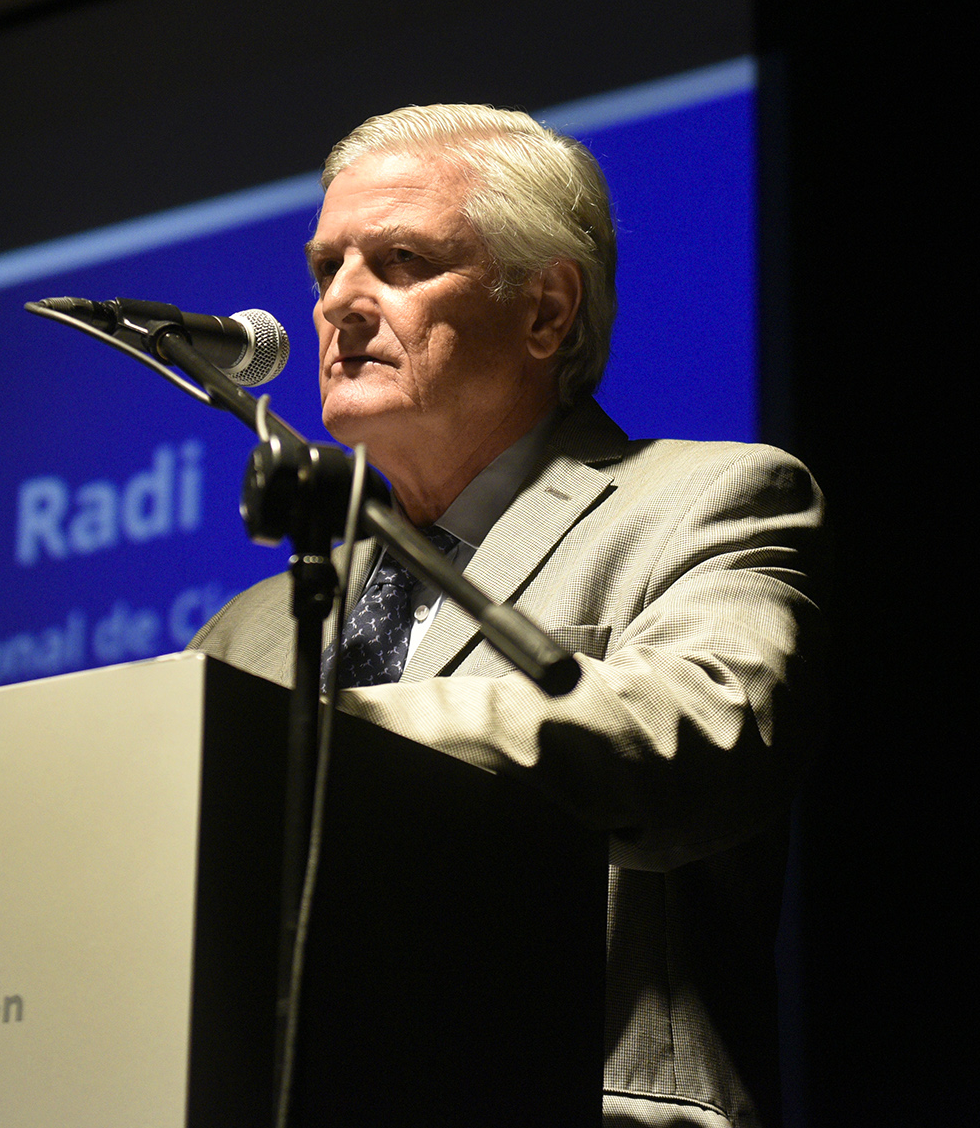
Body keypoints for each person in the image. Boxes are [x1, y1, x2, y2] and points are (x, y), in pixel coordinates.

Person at [189, 104, 824, 1128]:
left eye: (400, 260)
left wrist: (341, 743)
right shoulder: (250, 632)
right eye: (324, 269)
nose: (340, 302)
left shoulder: (708, 502)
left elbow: (704, 730)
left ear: (546, 311)